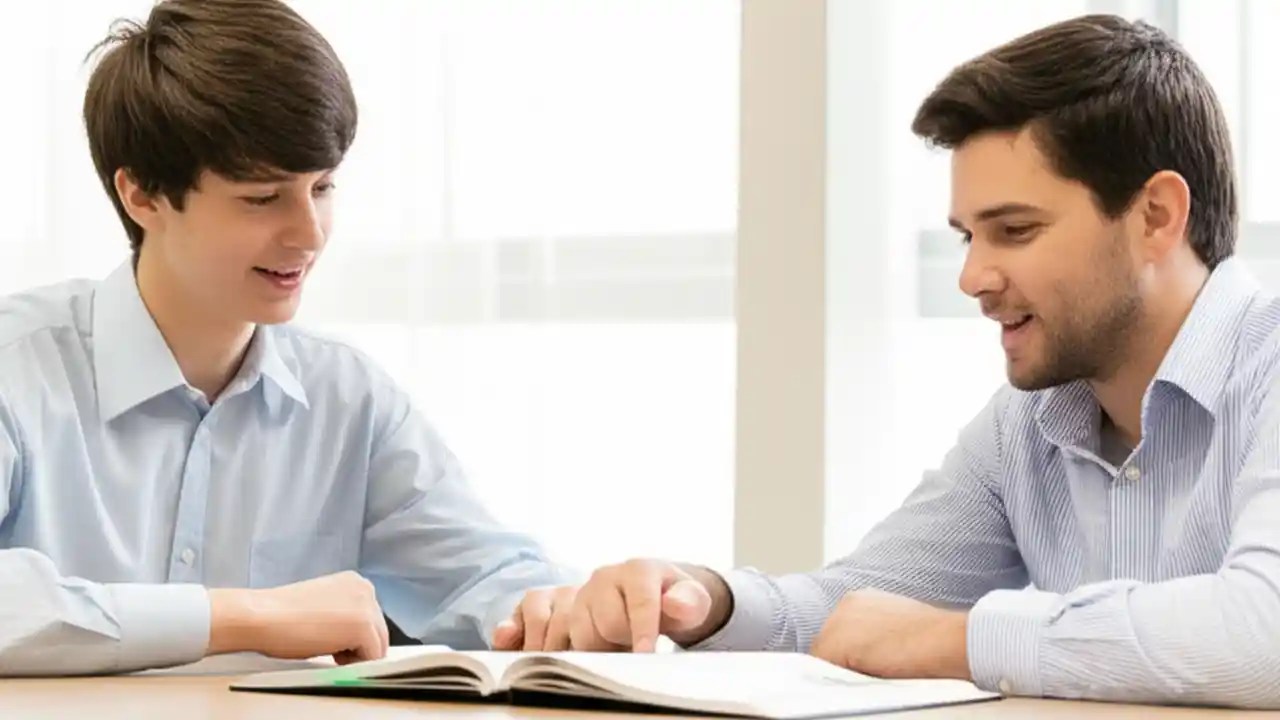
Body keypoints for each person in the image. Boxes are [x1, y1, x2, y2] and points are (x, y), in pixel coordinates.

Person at [497, 14, 1280, 709]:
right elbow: (855, 613)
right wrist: (702, 600)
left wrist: (958, 641)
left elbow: (1264, 634)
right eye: (968, 236)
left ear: (1155, 217)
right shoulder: (1027, 423)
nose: (973, 277)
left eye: (1014, 230)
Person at [0, 0, 567, 676]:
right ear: (143, 196)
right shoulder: (19, 369)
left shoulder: (348, 398)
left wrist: (572, 607)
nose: (311, 234)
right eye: (263, 198)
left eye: (322, 187)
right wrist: (251, 618)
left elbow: (489, 579)